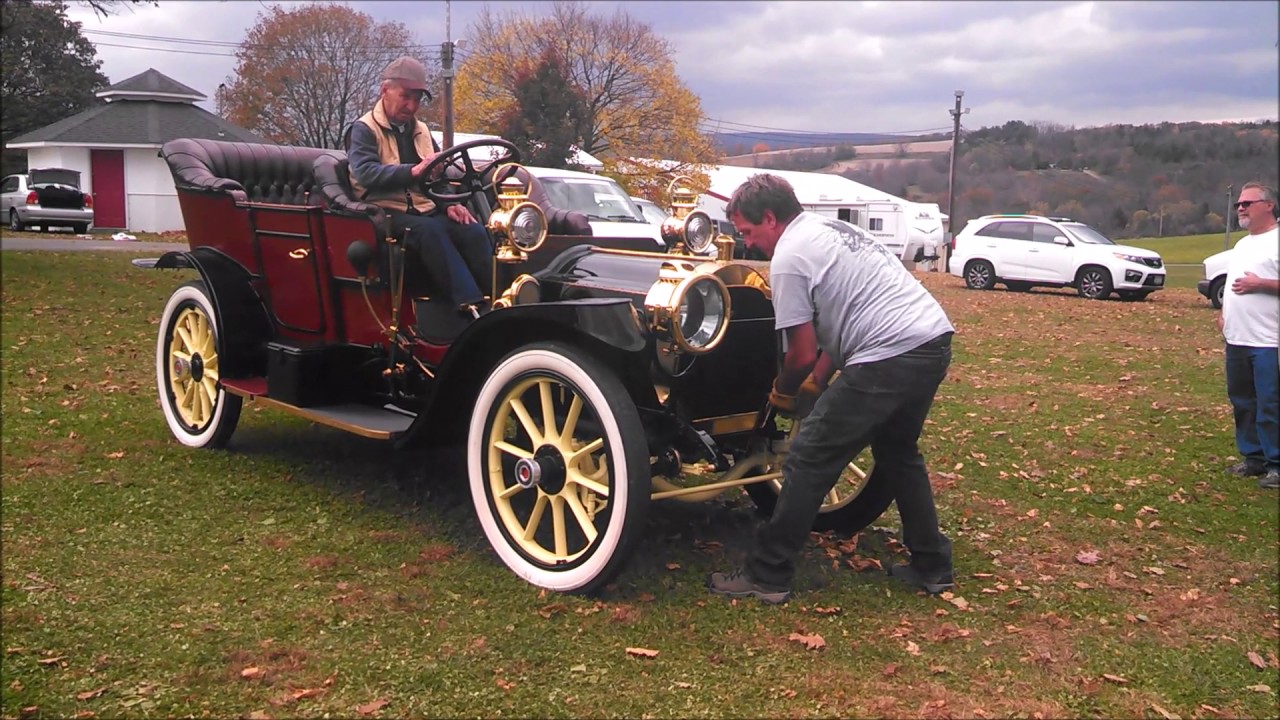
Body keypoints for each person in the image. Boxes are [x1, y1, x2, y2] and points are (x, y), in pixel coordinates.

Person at [708, 173, 956, 604]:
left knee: (809, 458)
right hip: (931, 340)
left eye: (748, 232)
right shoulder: (834, 231)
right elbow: (840, 328)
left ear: (769, 218)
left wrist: (781, 393)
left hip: (890, 353)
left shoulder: (789, 257)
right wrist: (818, 382)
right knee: (898, 453)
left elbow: (801, 353)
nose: (748, 243)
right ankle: (931, 565)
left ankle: (767, 575)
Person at [348, 56, 493, 315]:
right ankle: (471, 307)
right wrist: (413, 171)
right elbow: (366, 174)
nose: (411, 106)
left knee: (472, 229)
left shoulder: (422, 130)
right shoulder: (363, 129)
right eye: (405, 96)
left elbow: (437, 176)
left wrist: (450, 203)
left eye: (416, 100)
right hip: (385, 212)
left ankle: (499, 298)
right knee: (430, 232)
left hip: (424, 209)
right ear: (385, 91)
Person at [1218, 181, 1279, 489]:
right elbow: (1232, 286)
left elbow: (1257, 284)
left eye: (1247, 203)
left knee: (1271, 403)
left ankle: (1276, 464)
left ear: (1268, 205)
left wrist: (1263, 285)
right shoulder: (1243, 245)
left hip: (1270, 341)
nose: (1240, 208)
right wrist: (1224, 314)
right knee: (1243, 401)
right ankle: (1253, 458)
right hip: (1238, 339)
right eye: (1238, 204)